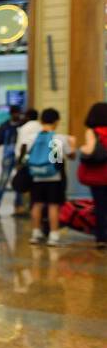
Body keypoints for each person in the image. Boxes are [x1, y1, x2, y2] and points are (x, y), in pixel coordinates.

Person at [25, 108, 75, 246]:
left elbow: (25, 155)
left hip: (36, 176)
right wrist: (71, 146)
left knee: (37, 204)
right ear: (57, 121)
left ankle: (35, 233)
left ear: (41, 121)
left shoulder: (32, 138)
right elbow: (61, 159)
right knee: (53, 206)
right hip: (54, 178)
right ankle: (53, 235)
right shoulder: (57, 138)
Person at [76, 101, 107, 249]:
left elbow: (88, 150)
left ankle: (101, 238)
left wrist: (81, 149)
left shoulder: (92, 131)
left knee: (100, 207)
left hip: (97, 176)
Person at [13, 108, 42, 220]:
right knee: (50, 204)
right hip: (47, 171)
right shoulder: (55, 138)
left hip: (26, 161)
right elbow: (60, 158)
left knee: (23, 185)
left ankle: (23, 208)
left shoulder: (24, 128)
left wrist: (20, 162)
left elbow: (24, 146)